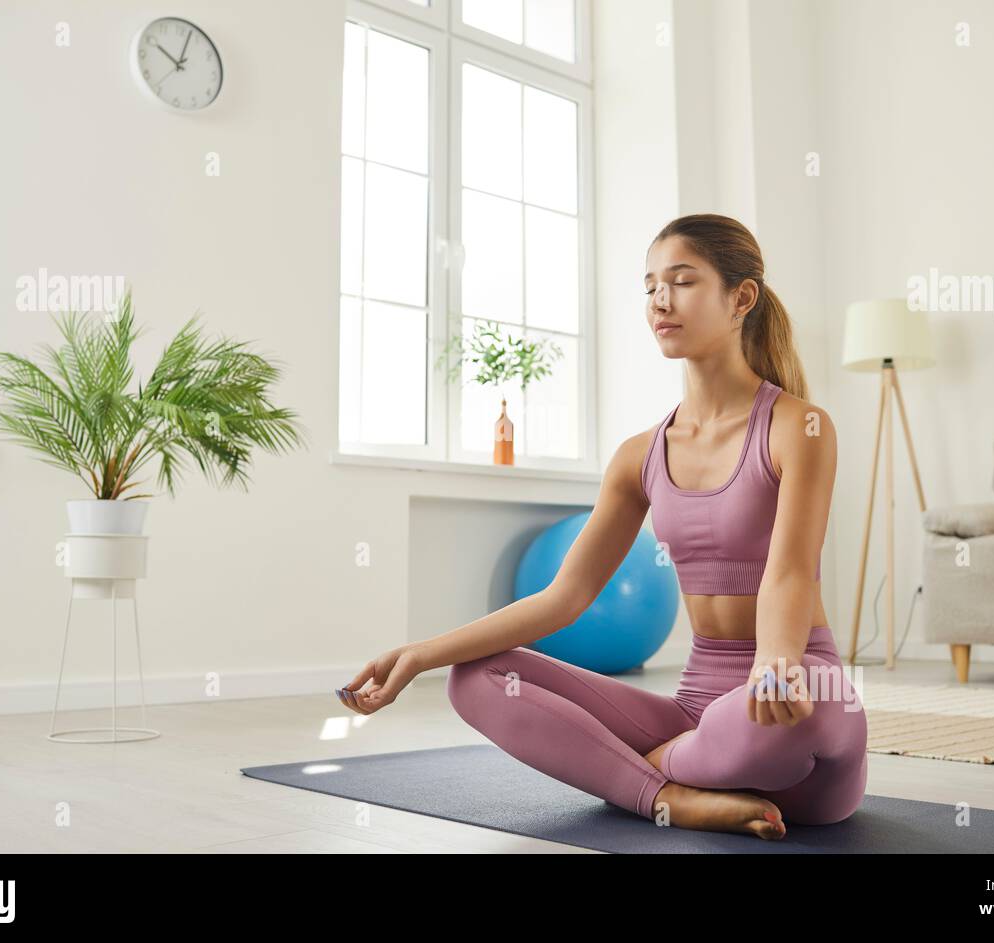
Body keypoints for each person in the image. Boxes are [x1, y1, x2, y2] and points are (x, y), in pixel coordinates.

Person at [336, 214, 867, 839]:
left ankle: (644, 774)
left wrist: (775, 662)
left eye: (682, 281)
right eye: (650, 286)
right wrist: (419, 654)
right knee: (476, 676)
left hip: (788, 700)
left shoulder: (799, 427)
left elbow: (791, 571)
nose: (660, 301)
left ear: (741, 298)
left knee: (805, 710)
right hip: (694, 715)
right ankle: (667, 794)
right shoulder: (638, 455)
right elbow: (564, 598)